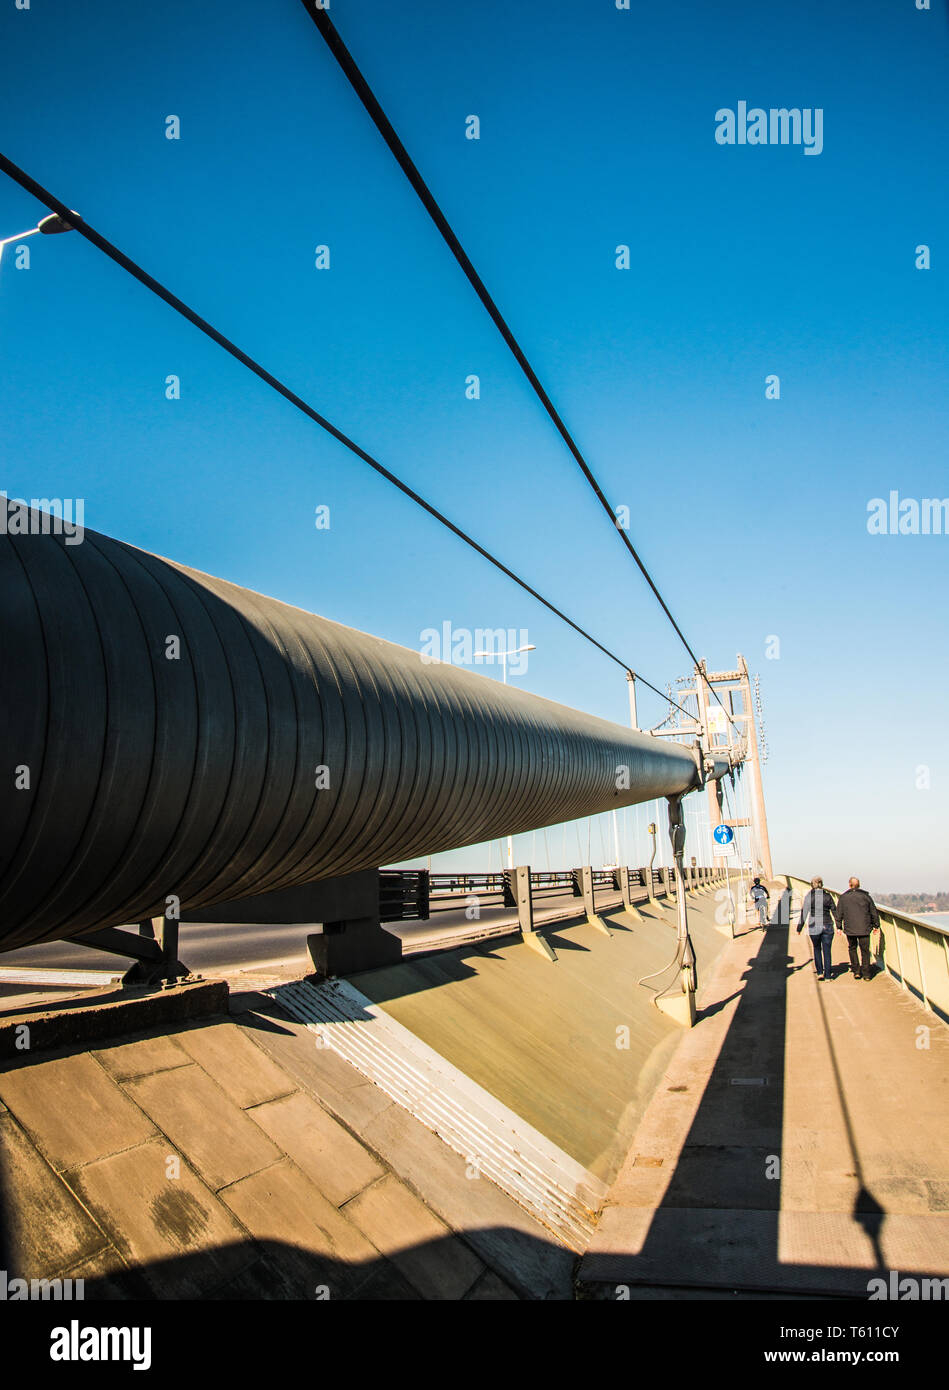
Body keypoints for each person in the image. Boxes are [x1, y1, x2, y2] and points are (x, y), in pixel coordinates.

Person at [834, 876, 880, 980]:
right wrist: (876, 925)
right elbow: (873, 912)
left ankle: (856, 971)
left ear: (849, 885)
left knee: (852, 948)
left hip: (850, 928)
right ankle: (867, 974)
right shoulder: (866, 897)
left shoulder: (844, 897)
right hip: (864, 928)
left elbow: (839, 913)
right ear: (859, 885)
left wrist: (839, 927)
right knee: (865, 951)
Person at [796, 876, 836, 980]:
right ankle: (828, 976)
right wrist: (839, 926)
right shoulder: (828, 896)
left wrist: (799, 928)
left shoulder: (809, 897)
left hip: (814, 926)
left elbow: (804, 913)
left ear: (812, 885)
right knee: (827, 951)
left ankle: (819, 973)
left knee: (817, 948)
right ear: (822, 885)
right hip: (827, 925)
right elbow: (834, 911)